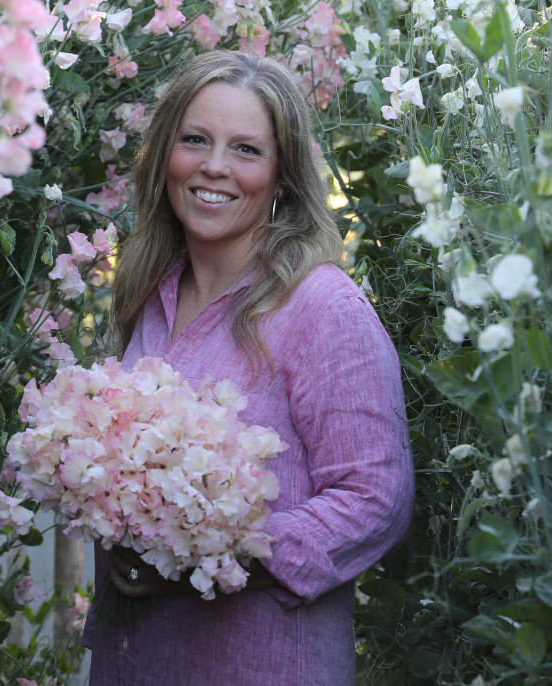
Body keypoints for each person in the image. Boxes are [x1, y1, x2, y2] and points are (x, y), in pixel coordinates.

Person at [82, 51, 413, 686]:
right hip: (140, 662)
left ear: (283, 177)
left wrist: (215, 553)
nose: (213, 167)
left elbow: (377, 500)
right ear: (166, 156)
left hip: (260, 664)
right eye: (195, 140)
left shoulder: (322, 308)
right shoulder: (152, 297)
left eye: (246, 150)